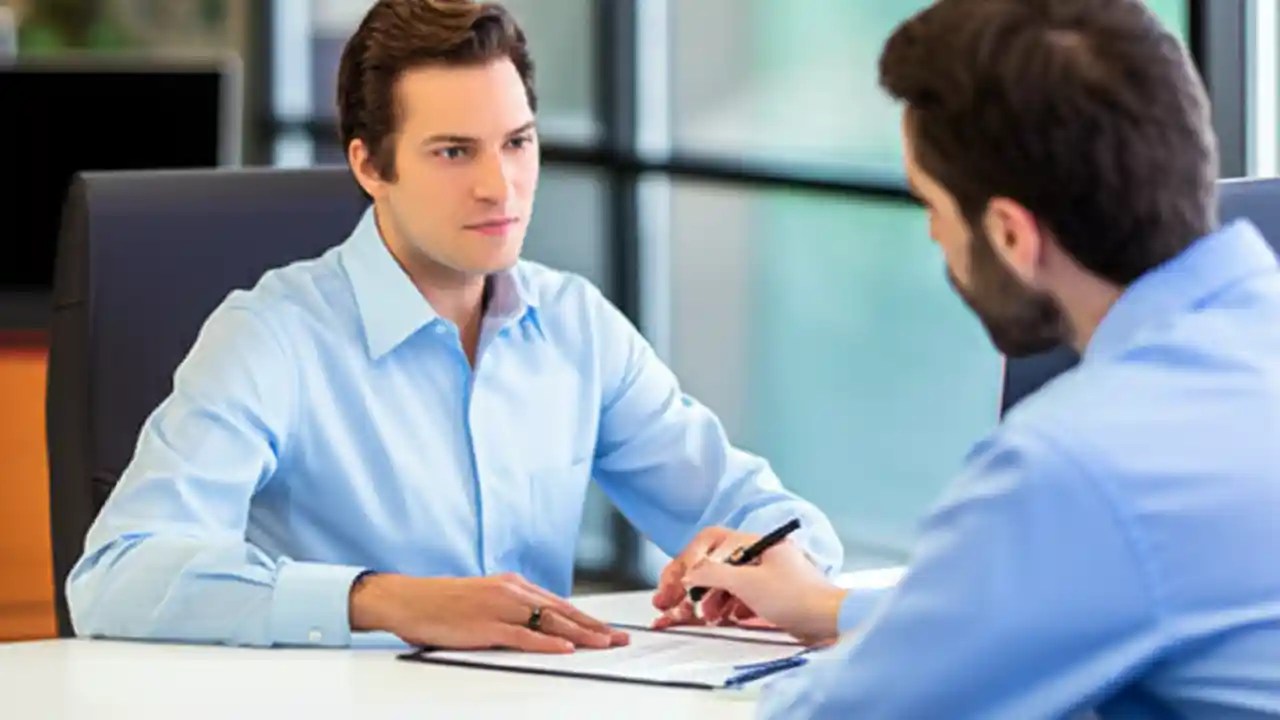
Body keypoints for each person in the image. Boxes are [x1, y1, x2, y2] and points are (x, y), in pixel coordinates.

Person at [66, 0, 841, 653]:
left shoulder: (574, 326)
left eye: (517, 143)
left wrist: (757, 558)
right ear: (370, 165)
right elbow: (115, 578)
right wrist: (386, 601)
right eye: (451, 152)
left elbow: (776, 518)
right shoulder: (272, 338)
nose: (497, 186)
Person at [672, 0, 1280, 716]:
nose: (934, 239)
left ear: (1011, 236)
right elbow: (1090, 596)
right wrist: (829, 608)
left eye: (931, 206)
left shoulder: (1079, 468)